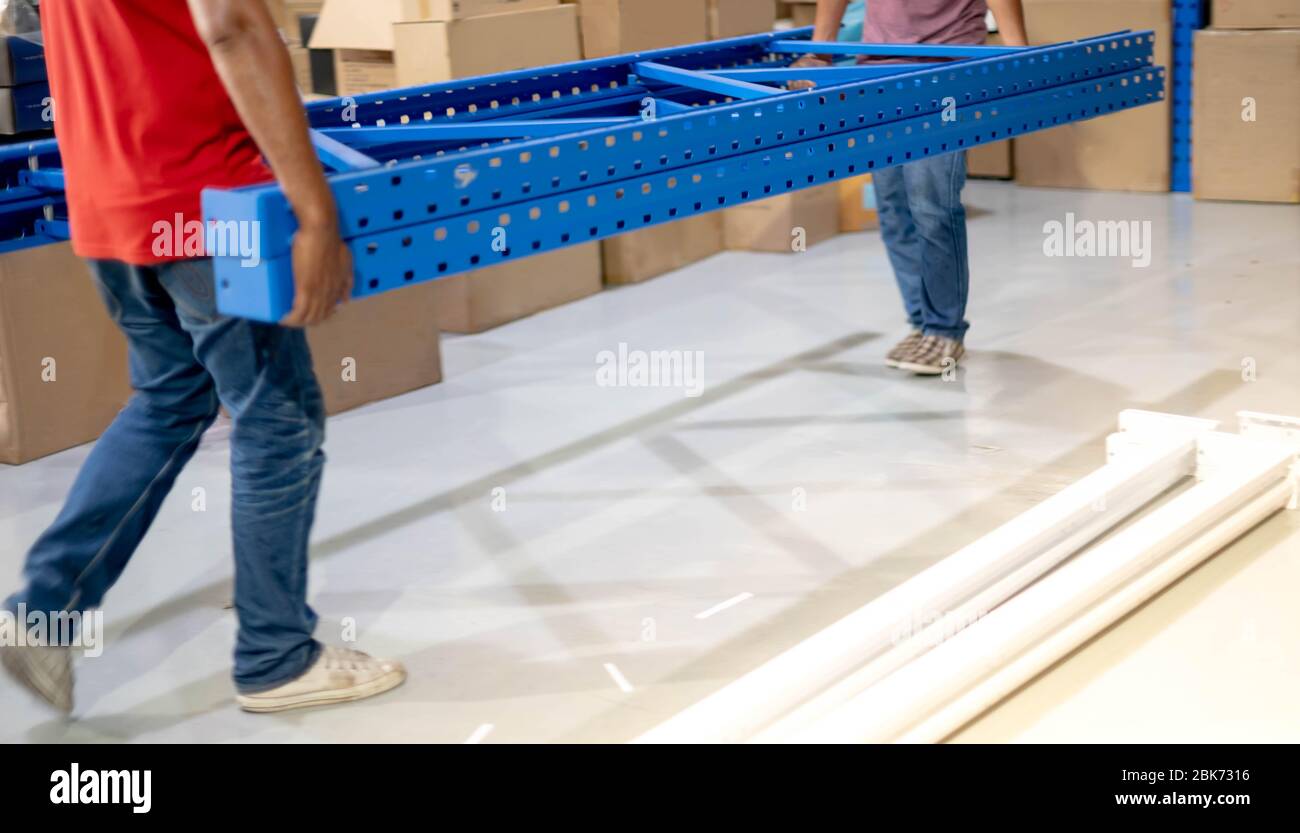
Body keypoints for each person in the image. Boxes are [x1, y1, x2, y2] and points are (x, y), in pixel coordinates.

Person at [0, 0, 405, 715]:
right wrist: (313, 210)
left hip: (109, 192)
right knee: (278, 419)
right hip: (202, 196)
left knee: (171, 397)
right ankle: (276, 656)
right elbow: (233, 24)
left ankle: (42, 613)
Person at [793, 1, 1028, 375]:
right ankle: (922, 324)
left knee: (932, 206)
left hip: (946, 70)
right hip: (879, 75)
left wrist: (1017, 52)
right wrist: (820, 51)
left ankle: (944, 329)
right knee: (893, 208)